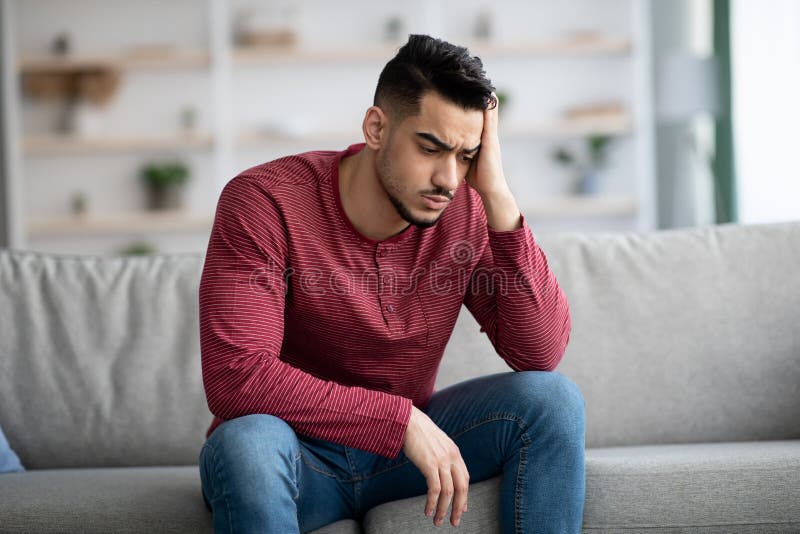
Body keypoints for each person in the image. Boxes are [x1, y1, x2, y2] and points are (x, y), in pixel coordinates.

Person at [197, 33, 585, 534]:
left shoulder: (464, 206)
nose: (448, 177)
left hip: (402, 461)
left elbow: (539, 353)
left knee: (553, 400)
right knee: (245, 443)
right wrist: (397, 421)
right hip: (296, 458)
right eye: (430, 147)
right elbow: (236, 376)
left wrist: (498, 196)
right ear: (377, 127)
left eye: (466, 155)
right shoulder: (264, 202)